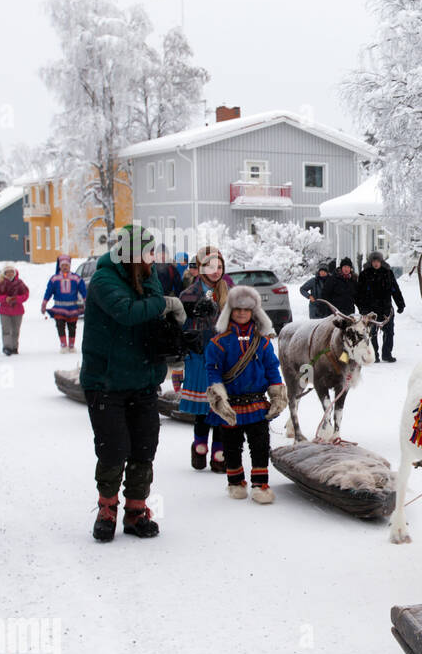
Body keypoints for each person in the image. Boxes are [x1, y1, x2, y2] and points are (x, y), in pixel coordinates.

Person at [79, 224, 186, 541]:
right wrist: (167, 302)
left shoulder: (148, 276)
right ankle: (106, 509)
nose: (155, 257)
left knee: (143, 447)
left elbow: (150, 314)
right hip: (105, 382)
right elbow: (125, 312)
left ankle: (136, 511)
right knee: (113, 448)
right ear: (133, 253)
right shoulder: (103, 279)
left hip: (143, 379)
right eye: (150, 251)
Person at [204, 286, 287, 504]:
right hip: (230, 404)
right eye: (237, 309)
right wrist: (219, 397)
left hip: (257, 403)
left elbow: (272, 368)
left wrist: (277, 394)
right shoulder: (218, 342)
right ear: (230, 311)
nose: (241, 313)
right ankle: (235, 482)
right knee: (232, 445)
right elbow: (212, 371)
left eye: (246, 310)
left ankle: (260, 485)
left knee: (260, 444)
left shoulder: (263, 342)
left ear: (254, 313)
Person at [179, 246, 235, 472]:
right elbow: (179, 325)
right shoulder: (188, 294)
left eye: (220, 266)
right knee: (203, 406)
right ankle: (200, 445)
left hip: (224, 356)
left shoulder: (230, 291)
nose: (216, 271)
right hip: (199, 355)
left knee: (221, 404)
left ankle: (219, 451)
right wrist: (192, 322)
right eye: (211, 266)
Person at [356, 251, 406, 362]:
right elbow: (359, 293)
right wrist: (362, 308)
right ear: (371, 262)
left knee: (389, 333)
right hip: (371, 310)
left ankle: (387, 354)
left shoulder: (388, 273)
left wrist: (400, 304)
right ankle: (375, 355)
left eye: (378, 261)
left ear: (381, 261)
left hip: (386, 309)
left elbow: (395, 290)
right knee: (371, 334)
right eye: (374, 261)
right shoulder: (364, 274)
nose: (376, 264)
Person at [42, 255, 88, 353]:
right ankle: (63, 345)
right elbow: (49, 291)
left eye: (67, 265)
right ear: (60, 266)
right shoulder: (55, 279)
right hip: (59, 306)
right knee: (60, 325)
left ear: (70, 266)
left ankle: (71, 346)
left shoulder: (76, 278)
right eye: (63, 266)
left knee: (72, 326)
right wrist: (44, 303)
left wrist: (86, 300)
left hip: (72, 307)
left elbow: (83, 290)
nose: (65, 267)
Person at [0, 264, 30, 356]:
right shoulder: (0, 284)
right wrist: (5, 298)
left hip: (18, 310)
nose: (10, 274)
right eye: (7, 272)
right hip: (4, 311)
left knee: (15, 330)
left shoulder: (20, 283)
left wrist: (17, 299)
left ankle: (14, 347)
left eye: (11, 272)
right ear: (4, 273)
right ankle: (7, 347)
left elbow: (25, 295)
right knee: (6, 330)